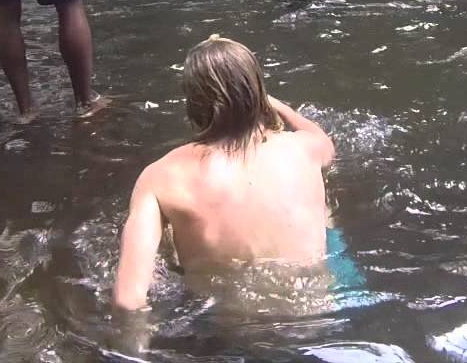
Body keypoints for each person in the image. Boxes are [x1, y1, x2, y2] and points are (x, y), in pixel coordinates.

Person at [113, 35, 338, 313]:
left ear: (193, 103)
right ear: (258, 96)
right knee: (326, 210)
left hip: (225, 331)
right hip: (320, 313)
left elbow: (128, 300)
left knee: (172, 238)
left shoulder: (160, 177)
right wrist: (279, 107)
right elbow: (321, 137)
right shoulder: (306, 149)